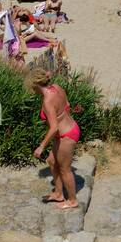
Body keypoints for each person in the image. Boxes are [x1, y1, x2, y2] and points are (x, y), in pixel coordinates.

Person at [29, 69, 82, 210]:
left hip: (67, 135)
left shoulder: (47, 101)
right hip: (71, 128)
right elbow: (67, 105)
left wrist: (41, 146)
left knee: (65, 169)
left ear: (36, 84)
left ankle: (72, 200)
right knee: (52, 161)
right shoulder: (57, 88)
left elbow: (54, 128)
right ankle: (58, 193)